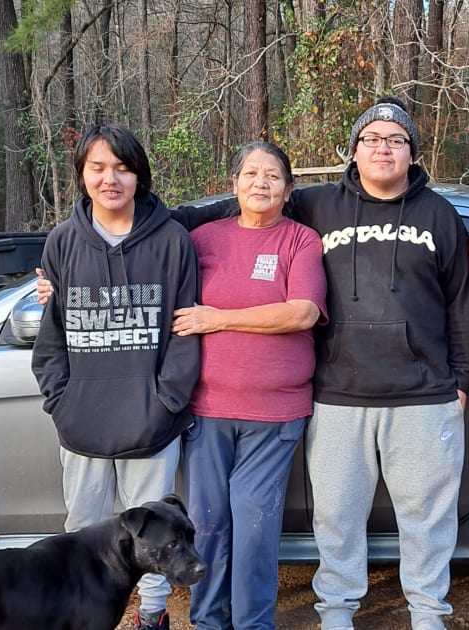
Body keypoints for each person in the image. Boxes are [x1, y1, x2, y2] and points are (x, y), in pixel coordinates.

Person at [171, 96, 469, 630]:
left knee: (427, 518)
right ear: (353, 152)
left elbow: (460, 303)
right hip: (338, 393)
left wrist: (462, 382)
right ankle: (337, 613)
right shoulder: (317, 206)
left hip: (423, 395)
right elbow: (241, 211)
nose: (383, 148)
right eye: (371, 139)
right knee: (336, 519)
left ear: (411, 153)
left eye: (395, 140)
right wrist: (123, 236)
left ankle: (428, 614)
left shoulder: (440, 215)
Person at [31, 123, 201, 630]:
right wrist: (60, 399)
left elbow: (185, 331)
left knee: (157, 538)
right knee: (83, 530)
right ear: (82, 175)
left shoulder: (171, 241)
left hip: (151, 423)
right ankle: (84, 618)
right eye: (98, 168)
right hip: (81, 424)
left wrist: (167, 400)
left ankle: (152, 616)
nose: (111, 179)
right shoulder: (62, 243)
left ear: (139, 176)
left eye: (122, 168)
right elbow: (52, 335)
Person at [174, 141, 327, 630]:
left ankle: (253, 623)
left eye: (273, 176)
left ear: (288, 189)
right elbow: (144, 265)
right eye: (251, 174)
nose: (261, 183)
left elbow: (301, 311)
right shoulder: (202, 239)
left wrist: (218, 319)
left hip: (275, 415)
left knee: (255, 526)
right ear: (234, 183)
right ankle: (208, 621)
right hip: (207, 409)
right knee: (209, 524)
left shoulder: (300, 241)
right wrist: (57, 282)